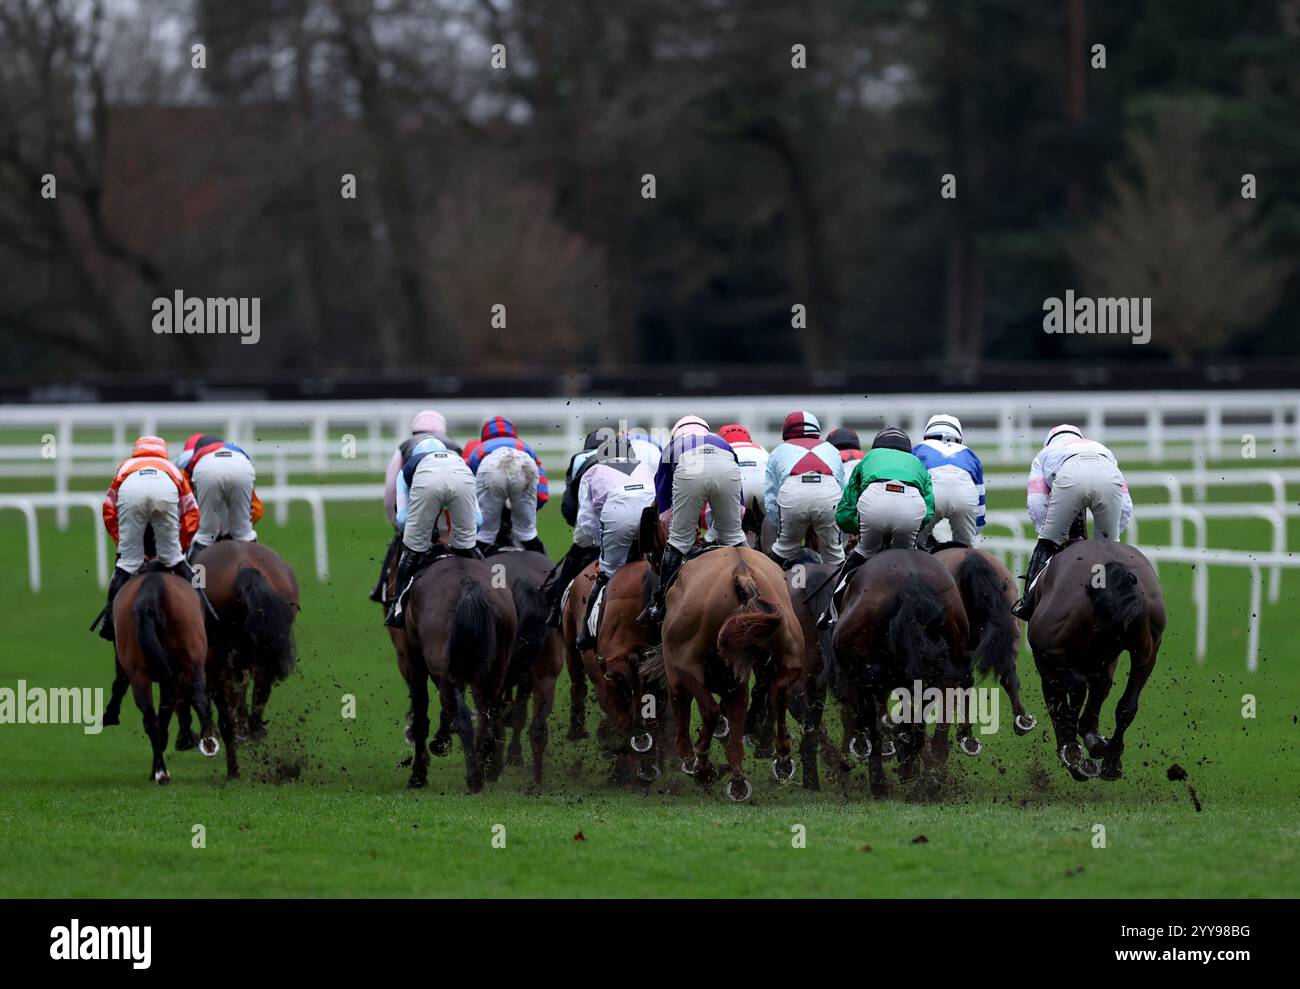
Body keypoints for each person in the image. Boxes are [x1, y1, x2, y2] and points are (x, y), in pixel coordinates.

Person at [94, 435, 214, 641]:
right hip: (164, 488)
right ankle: (208, 613)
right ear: (163, 452)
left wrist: (124, 546)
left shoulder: (125, 467)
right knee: (175, 560)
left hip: (131, 490)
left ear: (136, 451)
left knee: (127, 563)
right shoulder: (172, 468)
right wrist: (180, 547)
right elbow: (192, 512)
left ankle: (109, 621)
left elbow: (108, 510)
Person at [1011, 424, 1133, 620]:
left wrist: (1049, 535)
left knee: (1046, 543)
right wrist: (1107, 539)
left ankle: (1027, 602)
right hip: (1108, 476)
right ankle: (1109, 596)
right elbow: (1126, 507)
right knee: (1106, 550)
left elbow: (1036, 501)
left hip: (1070, 475)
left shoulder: (1045, 454)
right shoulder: (1102, 448)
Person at [819, 427, 934, 628]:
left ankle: (830, 613)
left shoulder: (869, 458)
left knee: (860, 554)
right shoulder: (917, 463)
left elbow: (845, 512)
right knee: (909, 560)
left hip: (874, 504)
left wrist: (859, 528)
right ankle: (928, 616)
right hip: (911, 508)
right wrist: (912, 526)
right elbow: (929, 511)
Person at [646, 415, 745, 622]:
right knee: (735, 536)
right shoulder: (723, 442)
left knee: (678, 541)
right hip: (726, 466)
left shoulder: (672, 447)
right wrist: (714, 536)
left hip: (689, 465)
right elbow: (740, 510)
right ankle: (760, 587)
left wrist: (689, 538)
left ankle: (660, 604)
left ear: (676, 434)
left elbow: (665, 515)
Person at [565, 434, 657, 650]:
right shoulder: (647, 467)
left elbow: (586, 528)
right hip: (651, 512)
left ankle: (587, 632)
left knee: (607, 575)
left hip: (619, 514)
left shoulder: (592, 472)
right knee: (664, 570)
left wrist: (598, 543)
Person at [386, 436, 482, 628]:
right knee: (467, 547)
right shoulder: (461, 462)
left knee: (412, 550)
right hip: (462, 478)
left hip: (427, 482)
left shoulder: (409, 467)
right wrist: (462, 540)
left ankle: (397, 607)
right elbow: (479, 521)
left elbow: (403, 519)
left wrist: (423, 536)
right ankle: (491, 589)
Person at [372, 410, 455, 602]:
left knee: (396, 549)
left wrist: (397, 522)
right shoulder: (454, 447)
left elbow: (390, 490)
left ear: (415, 430)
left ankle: (385, 590)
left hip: (416, 524)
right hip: (452, 527)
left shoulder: (405, 447)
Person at [763, 411, 845, 567]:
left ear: (787, 431)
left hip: (793, 495)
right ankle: (842, 590)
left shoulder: (778, 450)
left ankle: (769, 586)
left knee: (783, 550)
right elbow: (842, 487)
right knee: (835, 555)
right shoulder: (831, 449)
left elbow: (771, 495)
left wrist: (777, 523)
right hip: (828, 494)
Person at [174, 432, 263, 560]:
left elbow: (188, 510)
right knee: (244, 534)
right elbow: (257, 510)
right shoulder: (234, 451)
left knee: (205, 536)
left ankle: (196, 579)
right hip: (242, 467)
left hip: (207, 471)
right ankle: (259, 568)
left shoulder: (190, 463)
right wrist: (232, 530)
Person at [467, 417, 549, 555]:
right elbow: (541, 494)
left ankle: (468, 569)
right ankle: (549, 572)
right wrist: (526, 512)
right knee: (527, 534)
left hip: (490, 467)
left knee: (484, 535)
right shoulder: (524, 446)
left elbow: (470, 493)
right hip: (523, 464)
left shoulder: (479, 449)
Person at [911, 413, 985, 550]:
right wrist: (976, 529)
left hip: (933, 496)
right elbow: (980, 504)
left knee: (912, 548)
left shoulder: (917, 449)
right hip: (965, 496)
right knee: (966, 552)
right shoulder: (970, 453)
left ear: (927, 435)